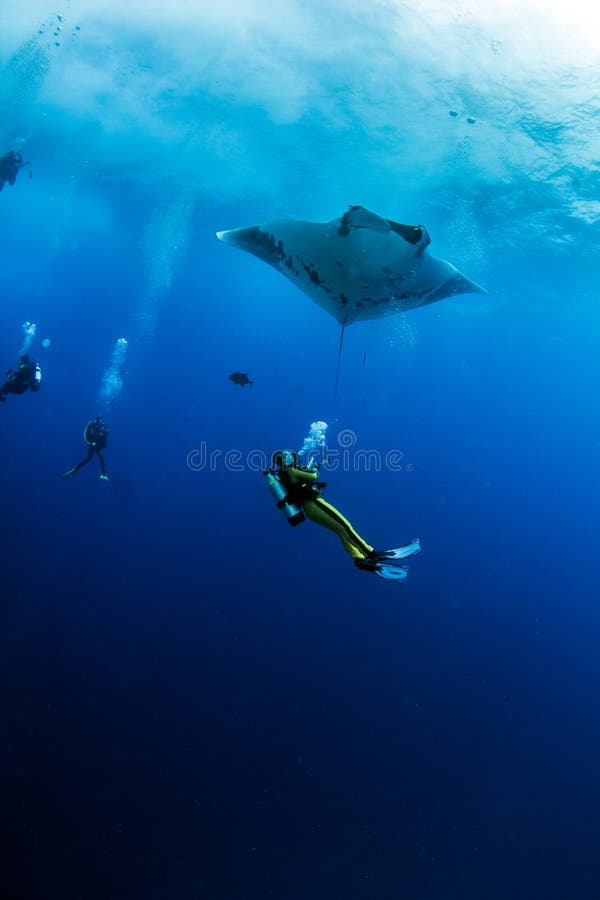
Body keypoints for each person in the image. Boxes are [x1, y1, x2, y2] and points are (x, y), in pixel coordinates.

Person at [267, 450, 420, 581]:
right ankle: (370, 552)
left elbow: (304, 479)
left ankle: (359, 560)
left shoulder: (285, 473)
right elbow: (313, 476)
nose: (291, 454)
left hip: (310, 508)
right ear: (284, 459)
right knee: (346, 526)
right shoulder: (291, 470)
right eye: (287, 454)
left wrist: (313, 468)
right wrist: (313, 470)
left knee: (340, 531)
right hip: (314, 503)